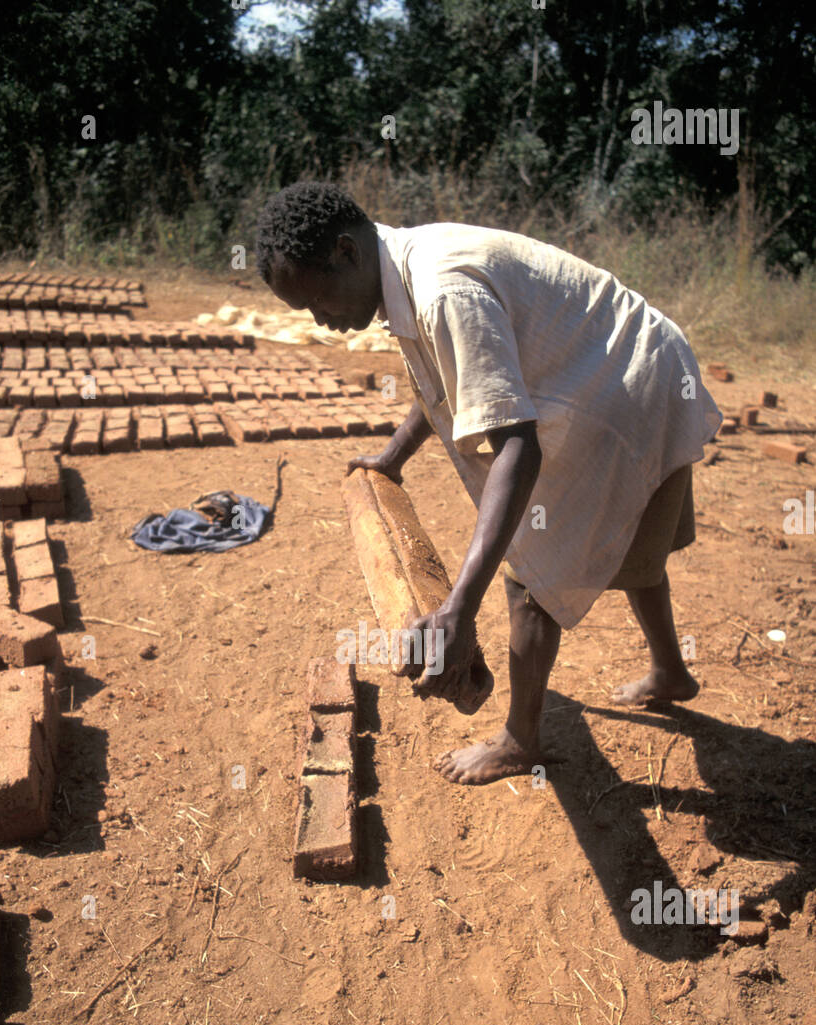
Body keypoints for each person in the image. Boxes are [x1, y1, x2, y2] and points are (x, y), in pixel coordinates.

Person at [255, 181, 722, 785]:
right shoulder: (404, 264)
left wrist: (459, 609)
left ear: (346, 252)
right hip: (623, 359)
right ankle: (670, 673)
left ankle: (518, 740)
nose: (323, 322)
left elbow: (518, 451)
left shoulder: (443, 289)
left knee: (528, 566)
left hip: (628, 378)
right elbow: (453, 377)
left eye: (319, 301)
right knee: (635, 548)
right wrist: (393, 456)